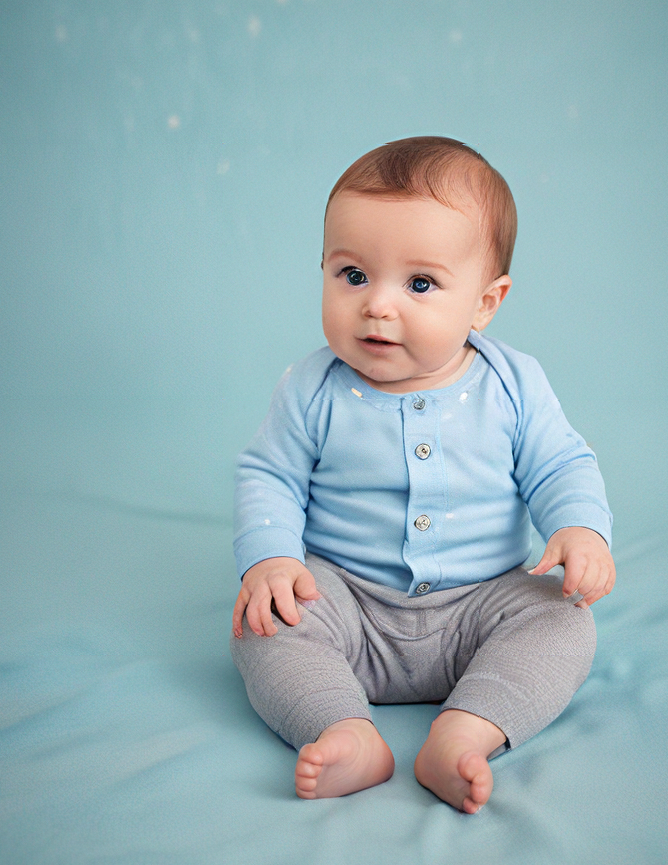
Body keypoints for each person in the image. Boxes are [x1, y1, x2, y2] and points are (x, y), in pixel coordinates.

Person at [230, 136, 615, 814]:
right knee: (262, 624)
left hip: (482, 608)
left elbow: (560, 462)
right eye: (352, 275)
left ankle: (466, 731)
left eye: (420, 284)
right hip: (347, 602)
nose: (379, 305)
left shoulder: (513, 384)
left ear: (485, 303)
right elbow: (271, 476)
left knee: (565, 620)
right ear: (322, 268)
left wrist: (580, 528)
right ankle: (342, 729)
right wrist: (270, 559)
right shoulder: (311, 388)